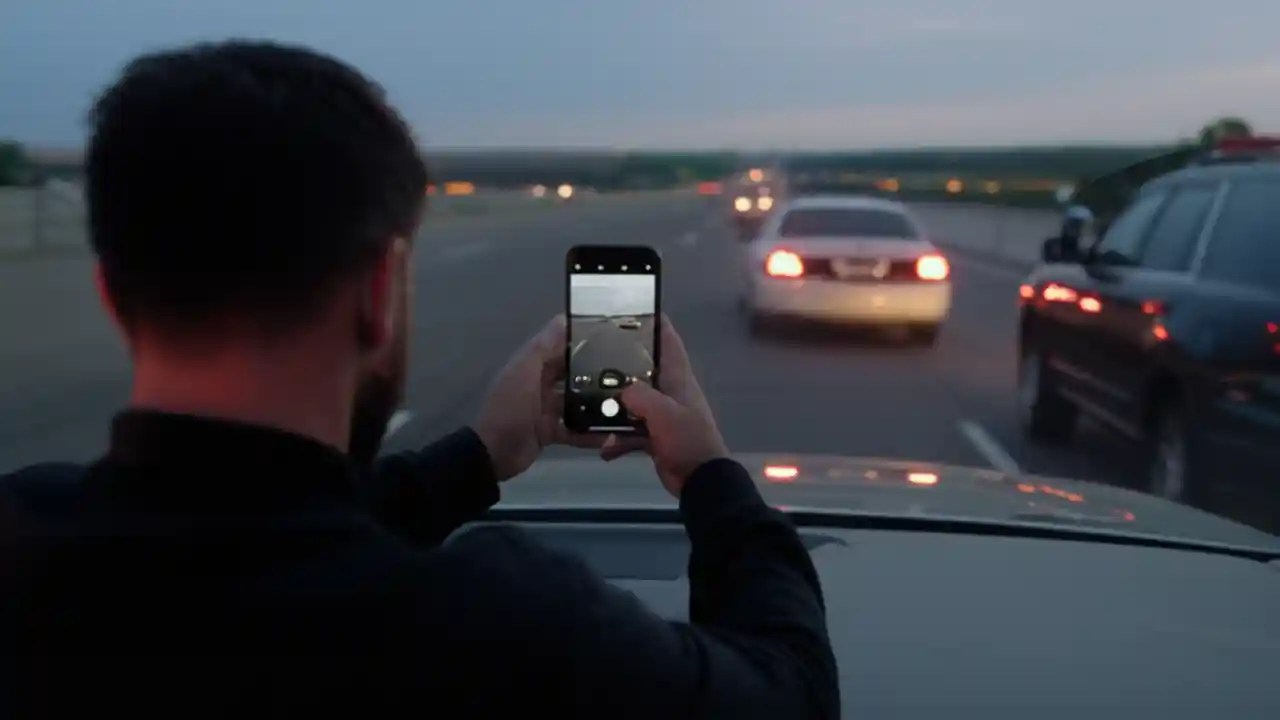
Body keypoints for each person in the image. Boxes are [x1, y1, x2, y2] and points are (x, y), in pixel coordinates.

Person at [0, 41, 838, 718]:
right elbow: (791, 691)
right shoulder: (509, 633)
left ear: (113, 296)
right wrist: (709, 476)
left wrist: (478, 456)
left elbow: (236, 539)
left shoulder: (26, 530)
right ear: (377, 294)